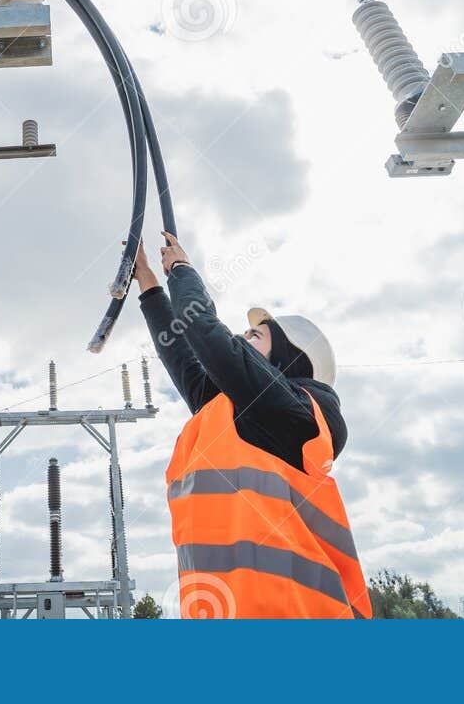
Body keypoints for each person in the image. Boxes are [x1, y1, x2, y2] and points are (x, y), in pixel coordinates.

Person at [134, 232, 371, 619]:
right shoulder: (240, 417)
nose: (243, 338)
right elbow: (181, 354)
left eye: (254, 335)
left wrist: (182, 270)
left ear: (288, 361)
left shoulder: (295, 415)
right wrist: (149, 284)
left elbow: (207, 336)